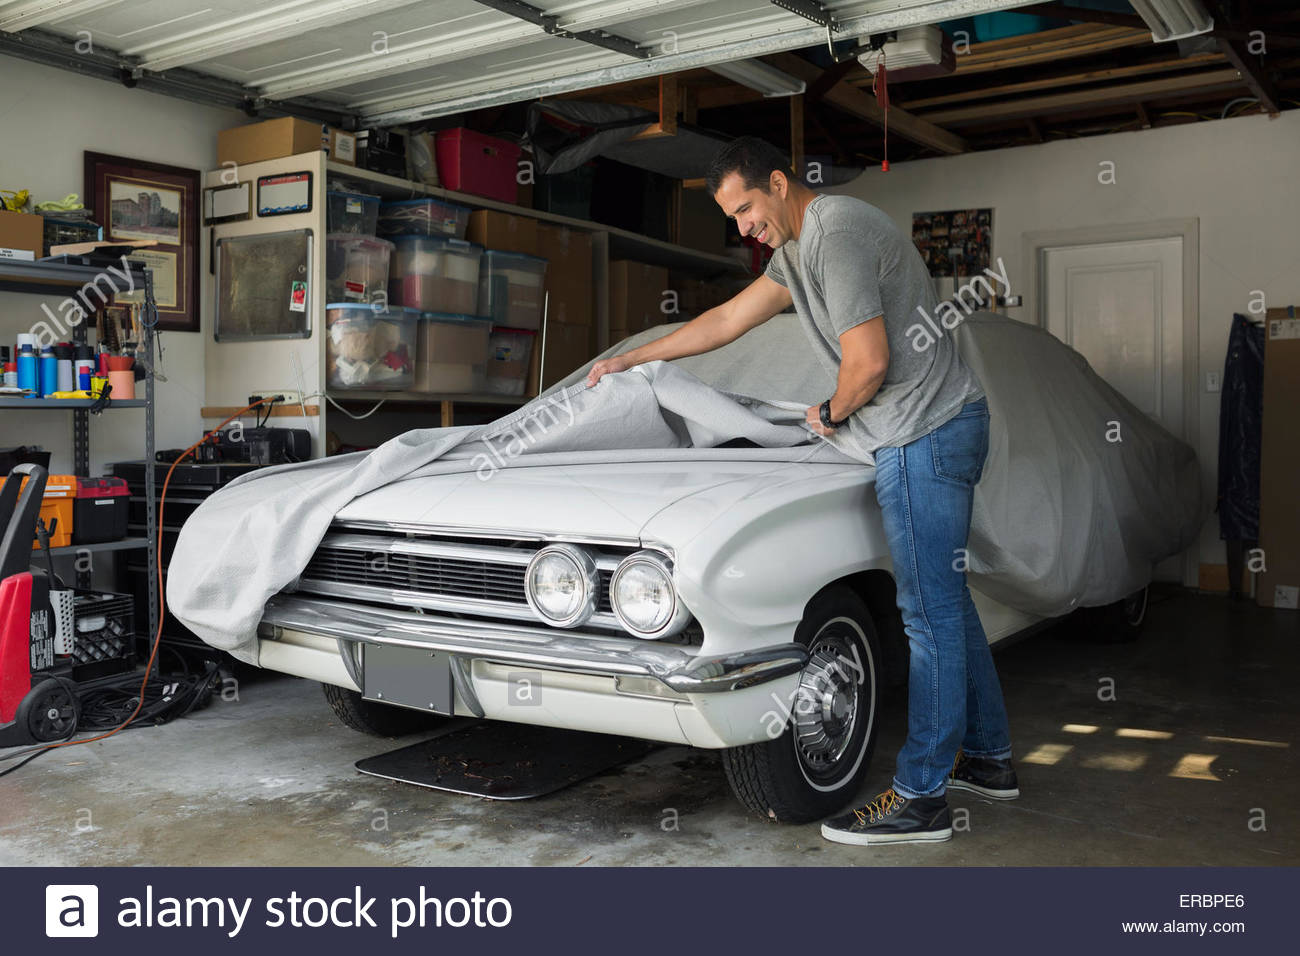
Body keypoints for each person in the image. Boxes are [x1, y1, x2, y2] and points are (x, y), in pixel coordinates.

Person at [585, 136, 1019, 846]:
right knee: (948, 605)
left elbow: (869, 361)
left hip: (922, 435)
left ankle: (921, 798)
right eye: (732, 218)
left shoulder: (837, 234)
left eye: (747, 208)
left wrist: (831, 411)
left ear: (780, 183)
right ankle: (991, 760)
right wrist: (631, 358)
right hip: (939, 427)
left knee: (927, 616)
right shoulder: (797, 253)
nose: (742, 228)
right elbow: (725, 321)